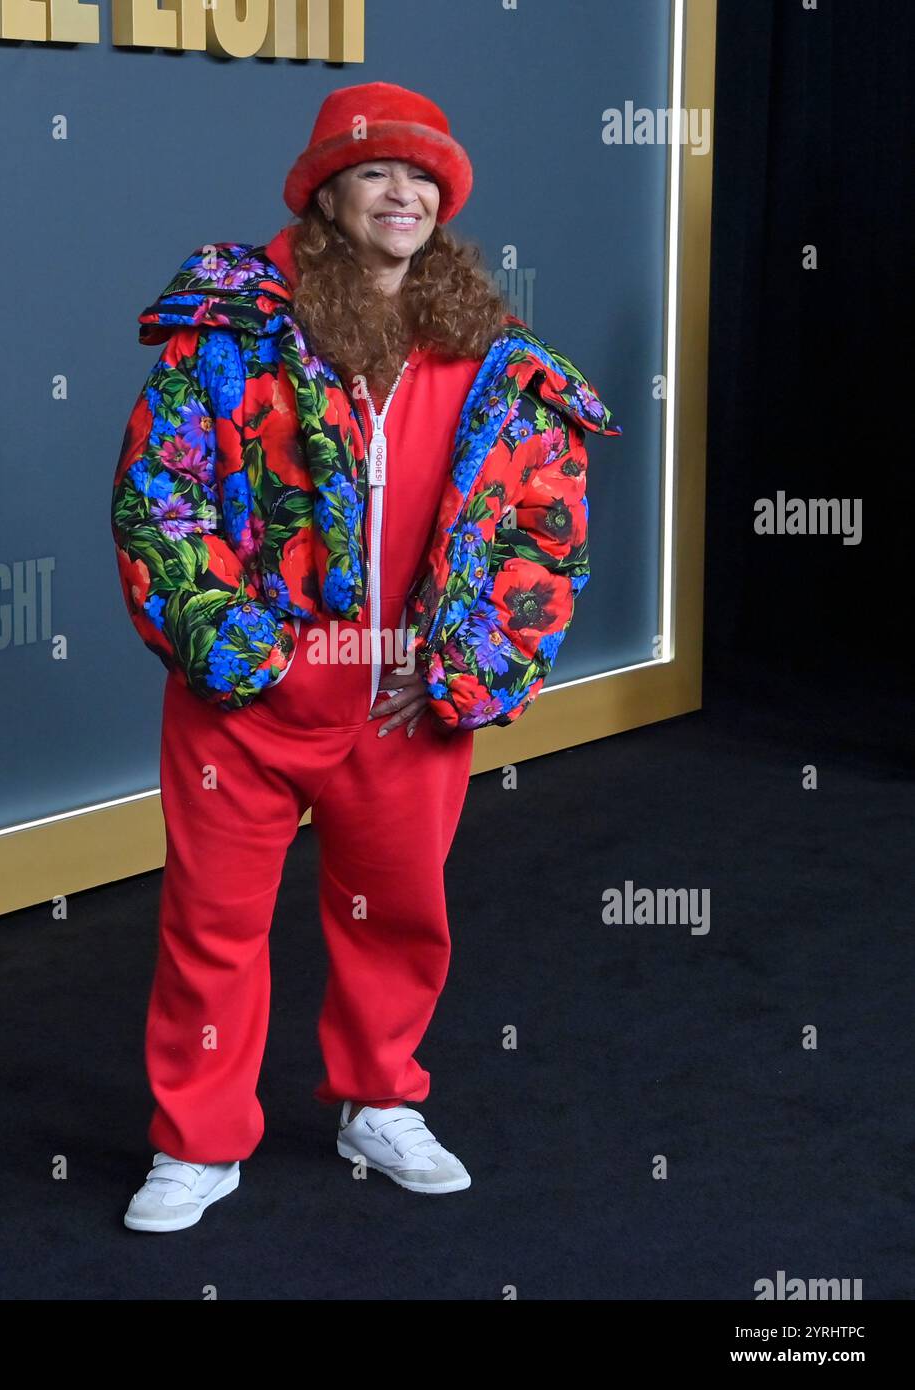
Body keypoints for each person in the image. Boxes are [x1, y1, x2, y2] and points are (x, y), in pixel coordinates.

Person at [111, 81, 620, 1231]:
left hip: (406, 700)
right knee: (212, 922)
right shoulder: (235, 337)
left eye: (424, 177)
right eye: (378, 171)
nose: (404, 192)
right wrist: (255, 654)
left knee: (396, 914)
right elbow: (161, 499)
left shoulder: (494, 361)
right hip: (252, 692)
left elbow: (543, 528)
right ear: (326, 194)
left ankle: (377, 1098)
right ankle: (198, 1141)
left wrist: (464, 663)